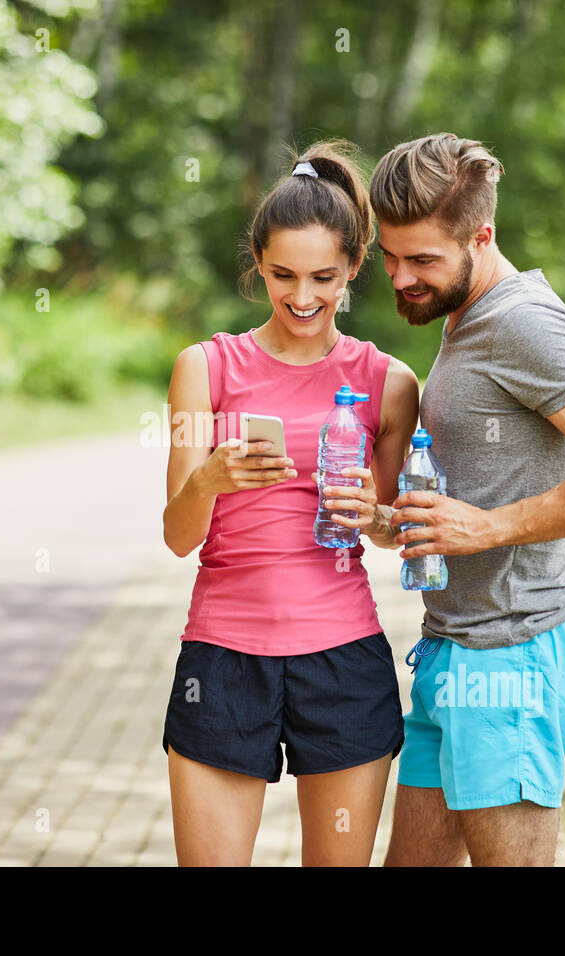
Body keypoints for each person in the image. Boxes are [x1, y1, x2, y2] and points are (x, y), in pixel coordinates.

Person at [358, 132, 565, 866]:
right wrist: (383, 518)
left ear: (483, 236)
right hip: (453, 647)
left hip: (512, 656)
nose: (402, 277)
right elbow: (474, 492)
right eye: (391, 257)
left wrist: (490, 528)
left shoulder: (525, 323)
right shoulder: (466, 314)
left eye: (423, 260)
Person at [161, 140, 419, 866]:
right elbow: (178, 536)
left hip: (343, 661)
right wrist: (209, 480)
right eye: (282, 276)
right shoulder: (203, 367)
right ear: (257, 265)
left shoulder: (388, 381)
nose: (303, 297)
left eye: (323, 278)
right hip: (222, 658)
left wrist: (371, 515)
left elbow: (396, 532)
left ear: (353, 269)